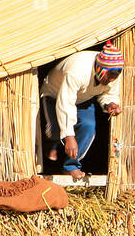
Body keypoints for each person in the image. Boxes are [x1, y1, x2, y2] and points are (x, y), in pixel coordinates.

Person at [40, 43, 125, 181]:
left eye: (112, 78)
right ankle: (51, 147)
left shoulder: (114, 73)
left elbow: (108, 93)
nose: (110, 80)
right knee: (54, 130)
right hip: (54, 95)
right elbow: (65, 102)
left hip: (83, 99)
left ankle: (71, 166)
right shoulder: (77, 70)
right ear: (100, 68)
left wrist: (110, 104)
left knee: (88, 127)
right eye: (108, 77)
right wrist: (69, 136)